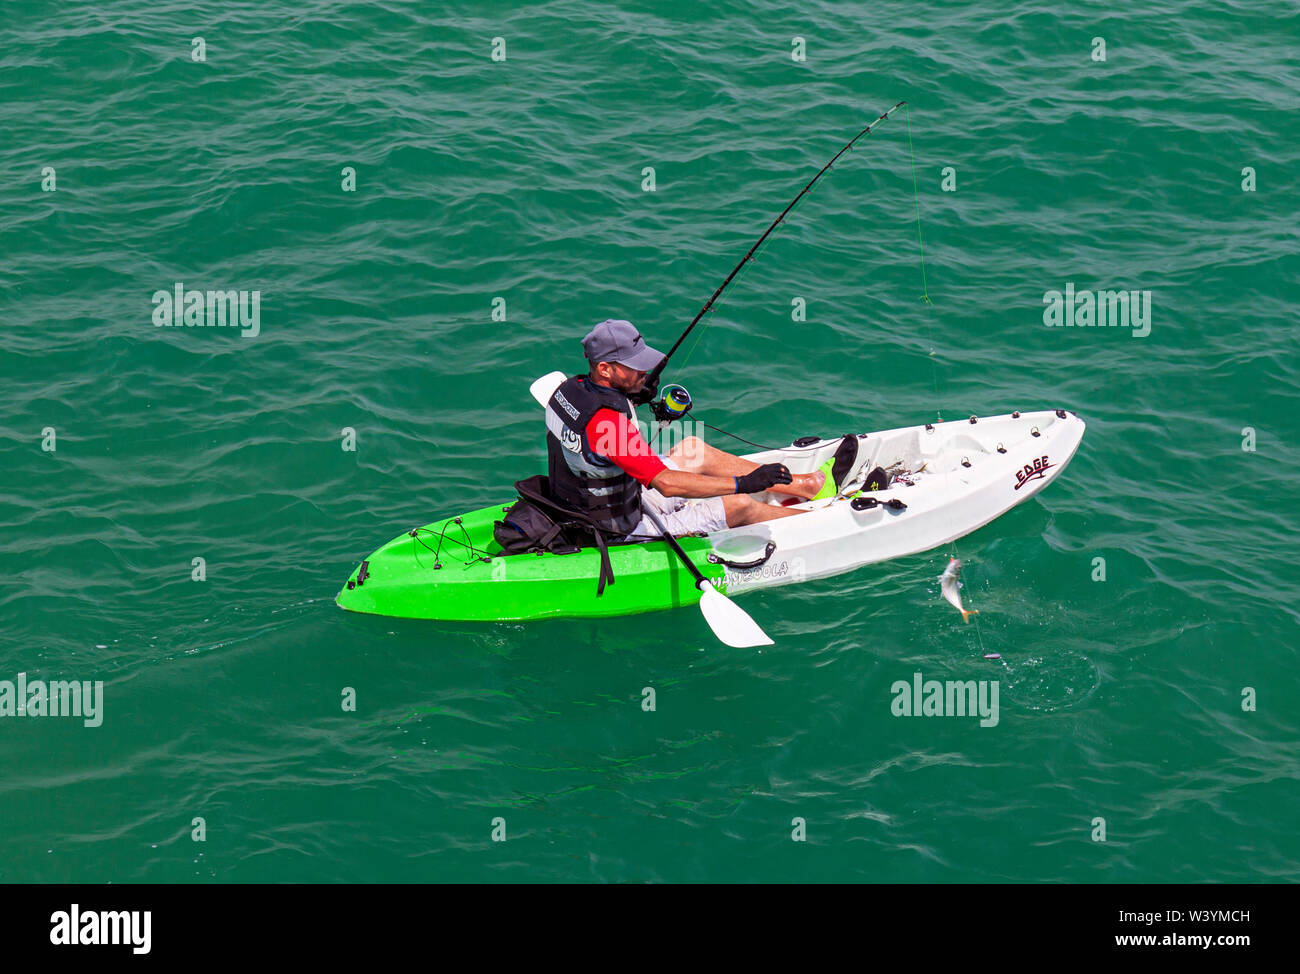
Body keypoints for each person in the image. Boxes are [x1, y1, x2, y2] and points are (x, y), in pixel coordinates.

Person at [544, 319, 835, 541]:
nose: (644, 372)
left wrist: (630, 394)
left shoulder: (569, 390)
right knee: (741, 504)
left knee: (693, 450)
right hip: (618, 528)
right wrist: (745, 482)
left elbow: (590, 431)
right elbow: (666, 483)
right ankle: (822, 521)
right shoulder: (609, 426)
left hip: (598, 503)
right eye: (634, 367)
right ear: (606, 369)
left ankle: (804, 485)